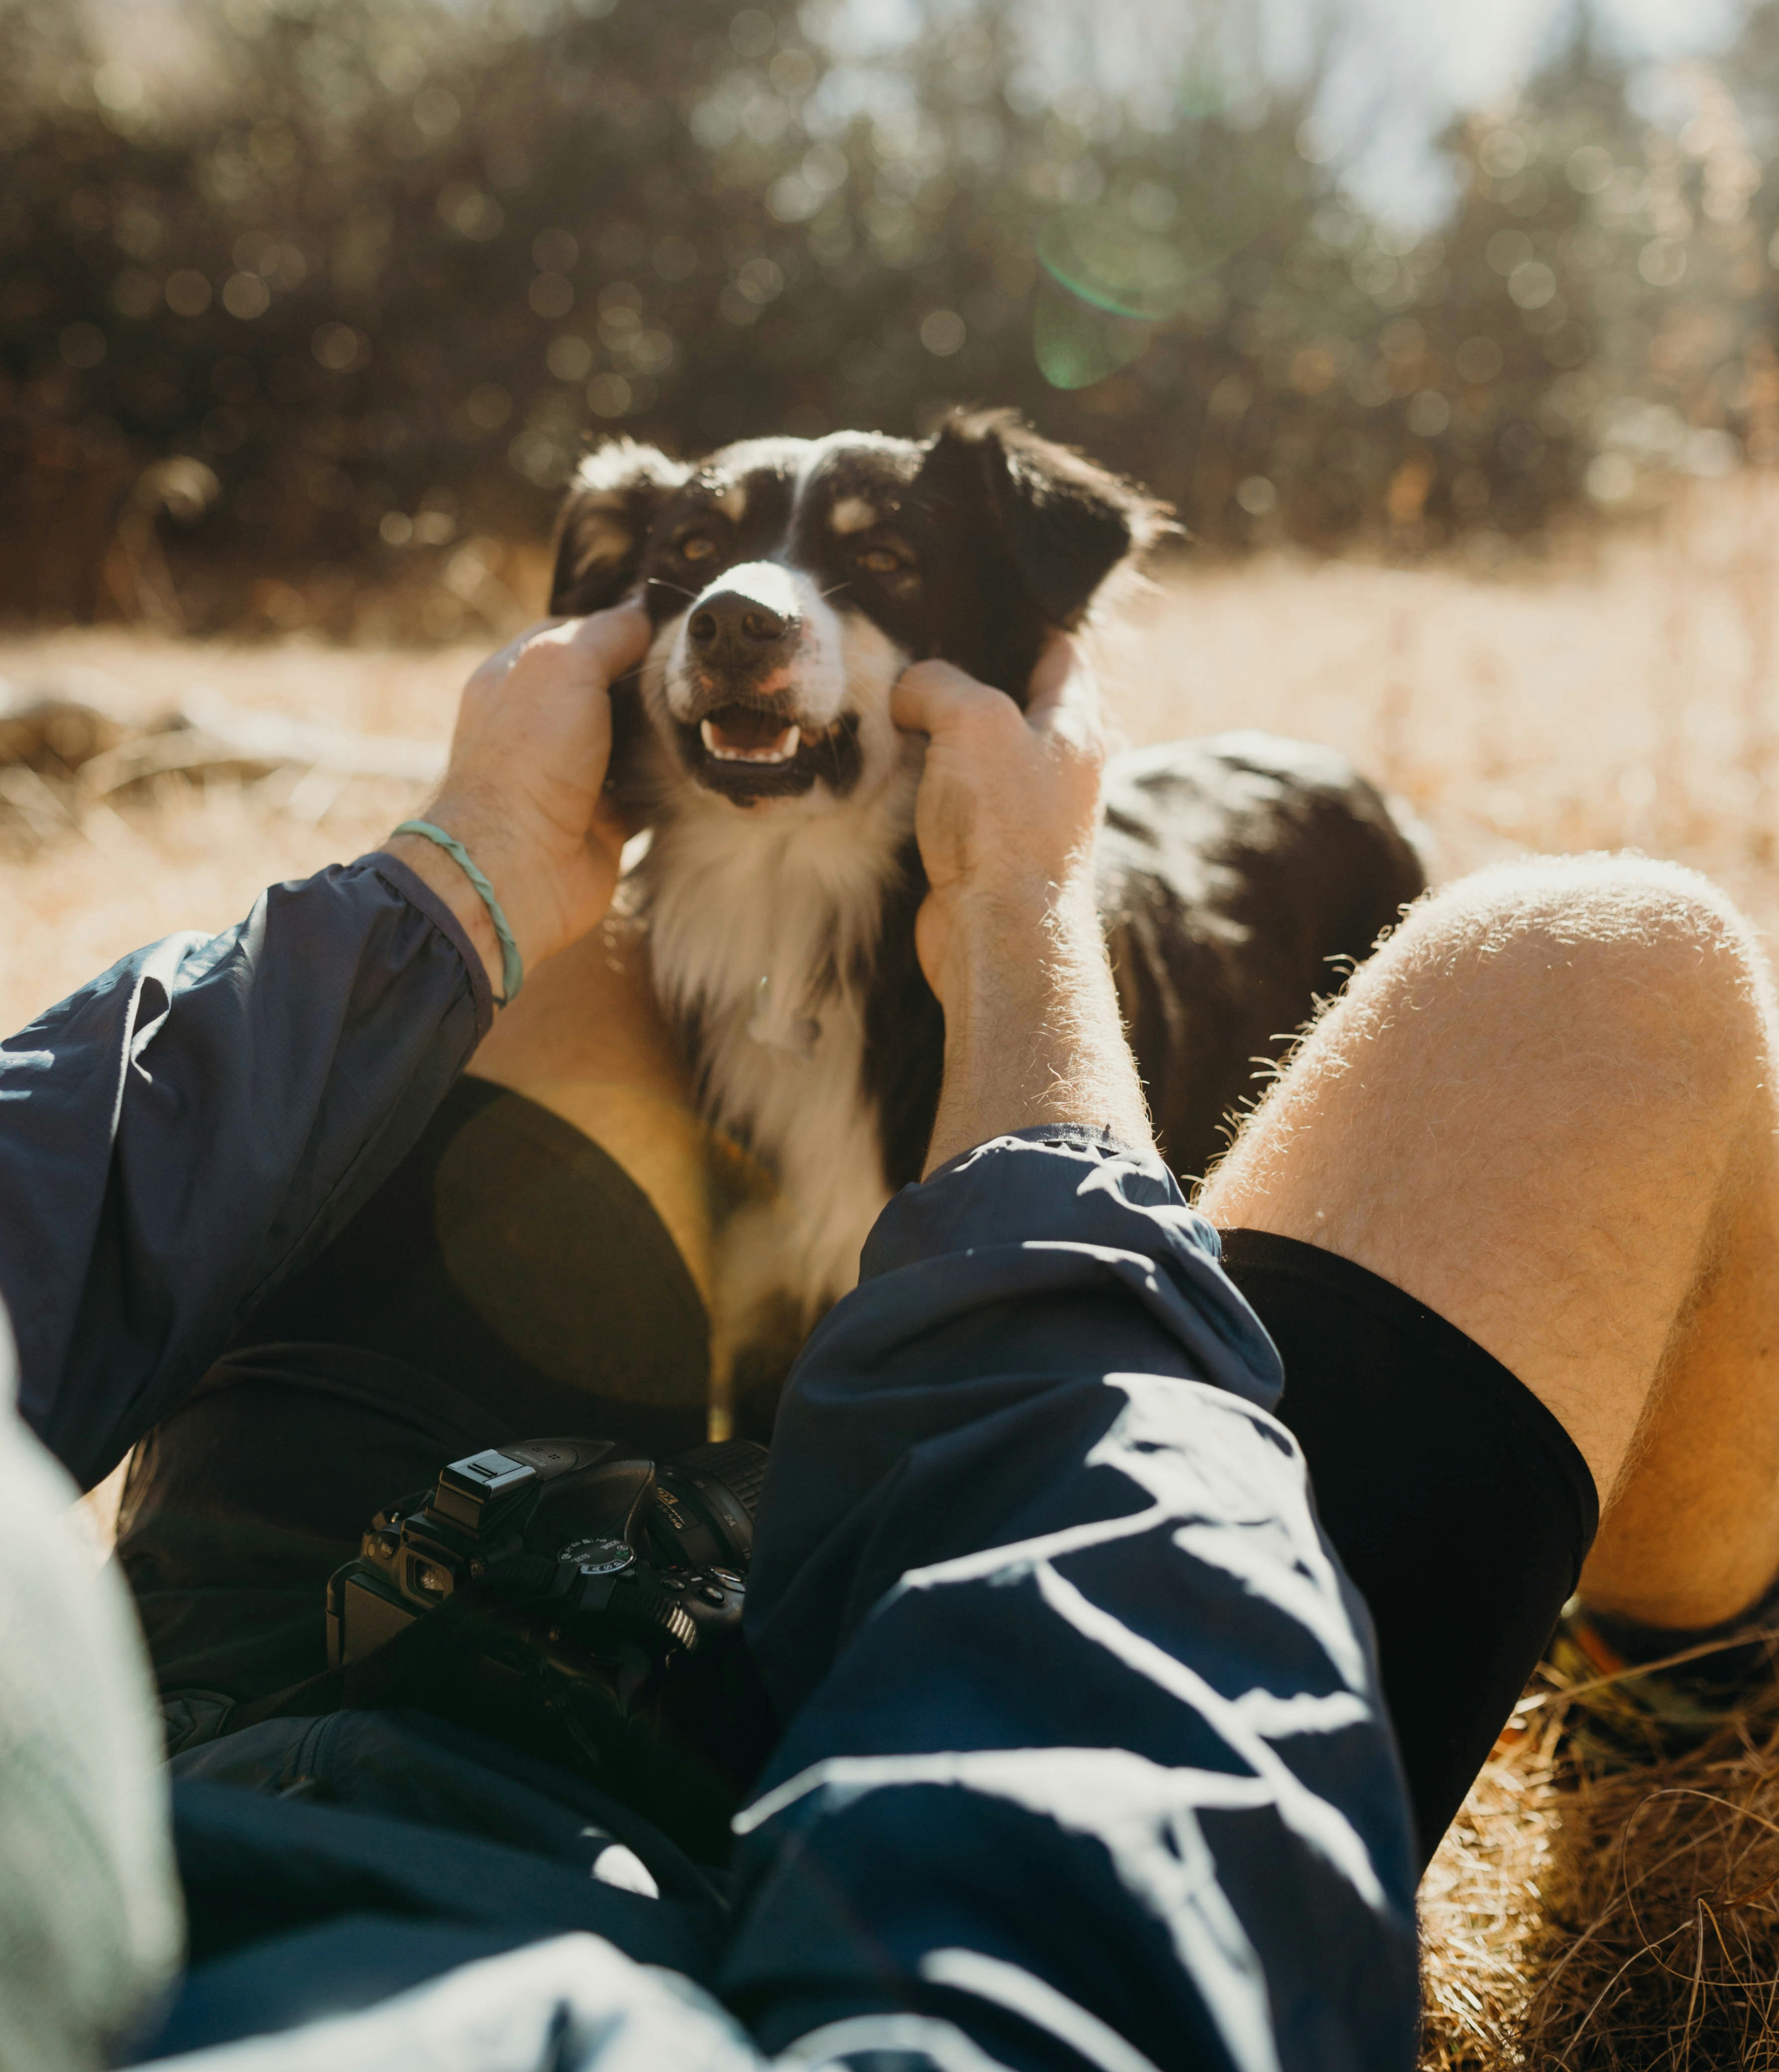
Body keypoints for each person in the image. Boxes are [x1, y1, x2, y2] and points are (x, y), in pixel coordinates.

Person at [1, 607, 1775, 2071]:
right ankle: (1692, 1681)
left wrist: (465, 877)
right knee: (1608, 979)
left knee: (601, 958)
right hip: (853, 1826)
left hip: (228, 1686)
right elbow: (1099, 1897)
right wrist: (1017, 927)